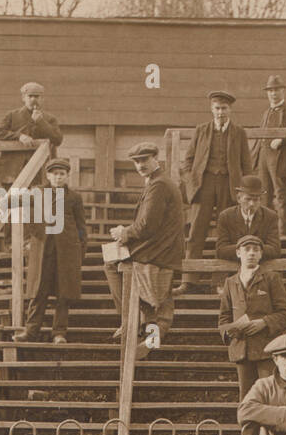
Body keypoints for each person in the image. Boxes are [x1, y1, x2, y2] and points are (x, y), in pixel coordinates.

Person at [106, 142, 185, 357]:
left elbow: (148, 225)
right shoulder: (156, 181)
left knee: (156, 303)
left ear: (155, 159)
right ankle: (133, 321)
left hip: (159, 250)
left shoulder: (159, 184)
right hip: (157, 246)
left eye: (144, 160)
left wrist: (124, 233)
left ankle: (135, 324)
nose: (140, 165)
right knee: (113, 260)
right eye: (136, 161)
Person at [176, 91, 253, 295]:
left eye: (224, 108)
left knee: (226, 233)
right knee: (195, 232)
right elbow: (187, 162)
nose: (220, 112)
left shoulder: (239, 133)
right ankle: (189, 280)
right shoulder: (201, 130)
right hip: (204, 184)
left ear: (230, 110)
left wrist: (243, 192)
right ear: (211, 109)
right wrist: (191, 182)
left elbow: (247, 166)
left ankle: (220, 281)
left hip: (229, 186)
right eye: (217, 108)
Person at [14, 158, 87, 344]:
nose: (58, 177)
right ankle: (31, 331)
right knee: (39, 290)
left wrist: (80, 250)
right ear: (48, 175)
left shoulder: (74, 198)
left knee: (64, 293)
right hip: (43, 248)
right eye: (55, 174)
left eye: (62, 174)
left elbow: (81, 227)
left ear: (67, 176)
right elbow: (28, 216)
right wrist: (35, 237)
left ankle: (59, 333)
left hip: (66, 250)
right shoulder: (38, 192)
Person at [219, 234, 286, 399]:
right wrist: (229, 331)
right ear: (238, 253)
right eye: (247, 249)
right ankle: (247, 425)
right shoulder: (230, 282)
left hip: (266, 348)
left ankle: (271, 425)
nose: (251, 253)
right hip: (242, 350)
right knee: (246, 397)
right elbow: (223, 318)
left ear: (261, 254)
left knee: (270, 395)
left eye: (256, 250)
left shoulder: (271, 278)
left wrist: (264, 322)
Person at [253, 75, 286, 242]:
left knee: (281, 195)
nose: (273, 94)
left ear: (283, 91)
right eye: (270, 91)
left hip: (281, 157)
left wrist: (282, 140)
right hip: (264, 157)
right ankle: (265, 232)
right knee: (264, 195)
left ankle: (283, 233)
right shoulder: (266, 112)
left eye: (277, 90)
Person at [0, 81, 63, 186]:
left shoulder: (49, 118)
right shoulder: (12, 115)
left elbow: (57, 139)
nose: (33, 99)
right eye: (30, 96)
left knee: (38, 201)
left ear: (42, 99)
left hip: (39, 172)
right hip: (13, 170)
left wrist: (41, 122)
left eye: (37, 96)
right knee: (13, 202)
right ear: (23, 98)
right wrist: (19, 136)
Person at [214, 174, 283, 273]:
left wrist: (245, 249)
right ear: (239, 198)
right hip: (230, 273)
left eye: (256, 200)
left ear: (260, 200)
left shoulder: (270, 217)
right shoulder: (226, 216)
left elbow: (275, 250)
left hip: (261, 272)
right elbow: (221, 250)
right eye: (248, 199)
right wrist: (252, 249)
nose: (252, 204)